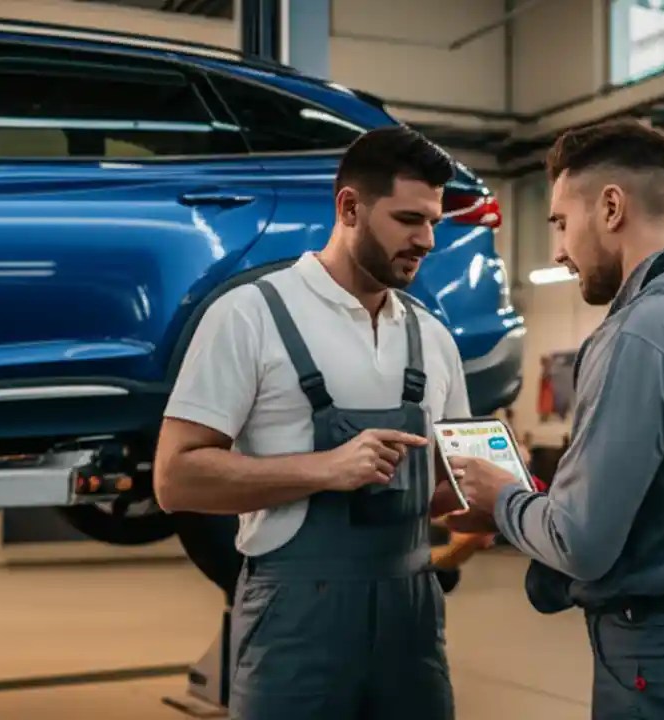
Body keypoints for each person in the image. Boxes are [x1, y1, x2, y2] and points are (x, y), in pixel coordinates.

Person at [446, 119, 664, 720]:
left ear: (610, 207)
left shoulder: (640, 331)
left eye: (559, 221)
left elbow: (579, 542)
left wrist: (501, 498)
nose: (557, 248)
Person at [153, 126, 476, 720]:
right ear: (349, 207)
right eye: (408, 219)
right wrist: (325, 469)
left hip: (412, 613)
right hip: (295, 616)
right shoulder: (249, 316)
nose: (426, 239)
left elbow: (439, 493)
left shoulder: (433, 338)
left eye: (433, 221)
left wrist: (487, 497)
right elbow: (175, 479)